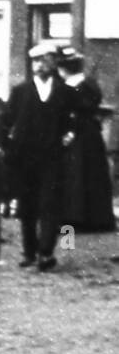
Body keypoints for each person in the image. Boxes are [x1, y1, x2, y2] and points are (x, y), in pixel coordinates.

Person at [0, 42, 72, 271]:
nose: (39, 65)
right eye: (36, 61)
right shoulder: (20, 92)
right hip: (24, 158)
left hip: (52, 158)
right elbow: (5, 120)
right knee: (27, 208)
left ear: (53, 63)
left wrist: (70, 132)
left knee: (50, 206)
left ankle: (45, 253)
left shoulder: (64, 91)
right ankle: (29, 252)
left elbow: (72, 119)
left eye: (44, 60)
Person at [56, 46, 115, 234]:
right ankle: (97, 218)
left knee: (75, 175)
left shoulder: (68, 88)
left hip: (75, 134)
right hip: (91, 134)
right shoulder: (90, 84)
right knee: (92, 175)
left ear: (63, 68)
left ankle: (73, 221)